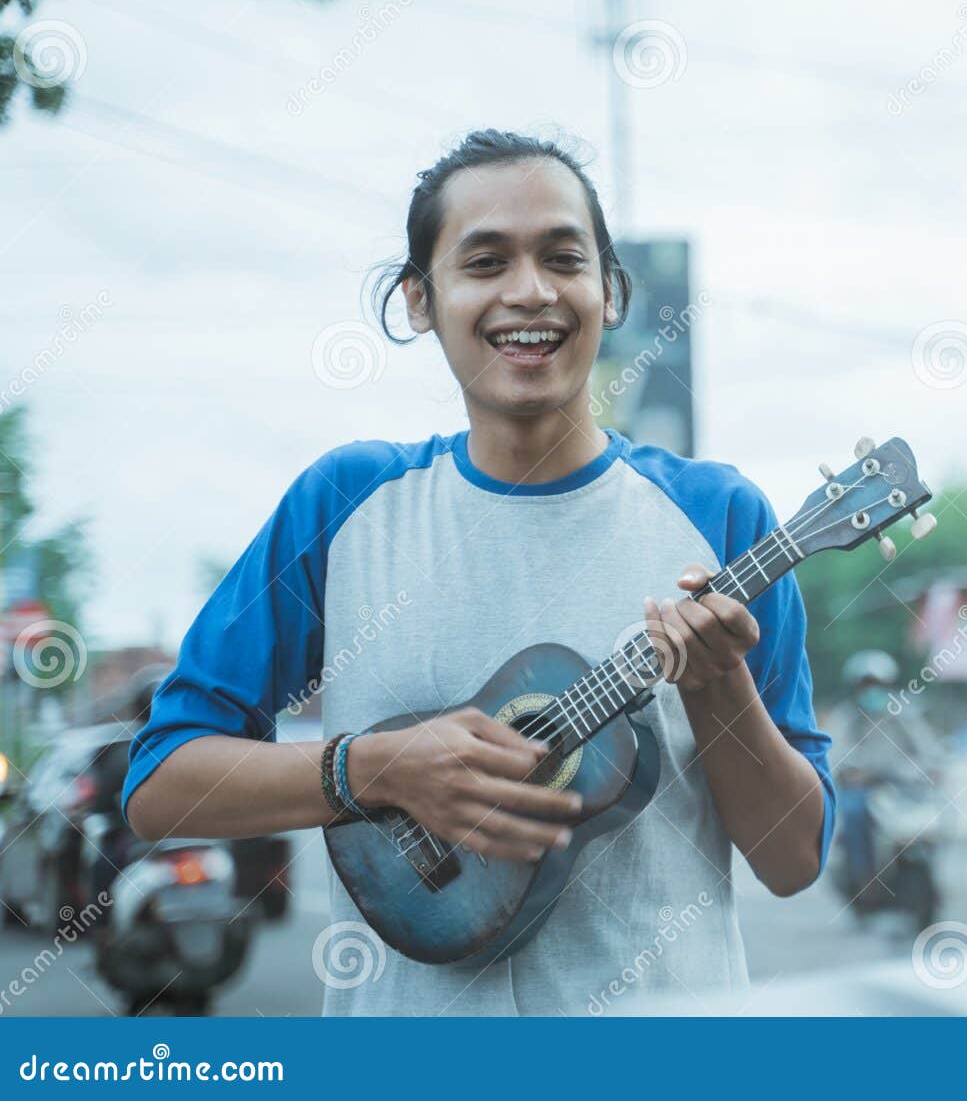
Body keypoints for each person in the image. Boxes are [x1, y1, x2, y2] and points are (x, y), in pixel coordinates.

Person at [119, 129, 835, 1016]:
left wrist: (718, 684)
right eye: (485, 260)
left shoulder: (722, 518)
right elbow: (159, 786)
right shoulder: (344, 505)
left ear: (609, 292)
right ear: (421, 298)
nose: (529, 291)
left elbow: (793, 857)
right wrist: (370, 769)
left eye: (564, 258)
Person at [825, 650, 943, 892]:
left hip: (903, 790)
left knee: (933, 818)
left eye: (878, 684)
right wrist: (851, 773)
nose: (872, 690)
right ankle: (864, 875)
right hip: (865, 791)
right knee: (854, 812)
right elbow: (835, 756)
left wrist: (931, 770)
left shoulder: (905, 715)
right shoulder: (847, 718)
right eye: (867, 684)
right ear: (856, 687)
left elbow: (928, 752)